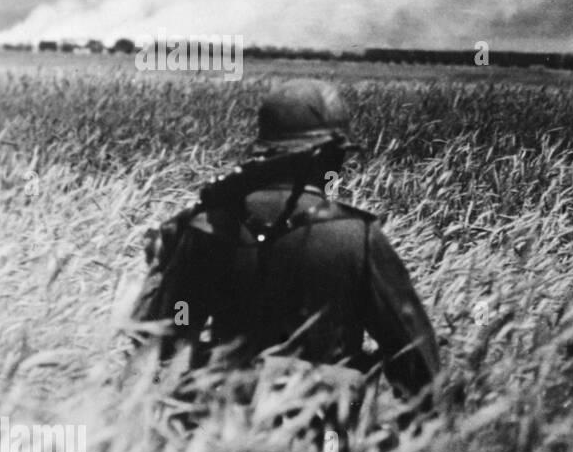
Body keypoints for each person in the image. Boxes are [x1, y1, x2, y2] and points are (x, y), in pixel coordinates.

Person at [131, 79, 440, 432]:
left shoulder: (206, 229)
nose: (339, 168)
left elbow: (161, 338)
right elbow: (414, 358)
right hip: (326, 437)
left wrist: (165, 267)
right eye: (339, 157)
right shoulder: (357, 238)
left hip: (226, 435)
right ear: (325, 155)